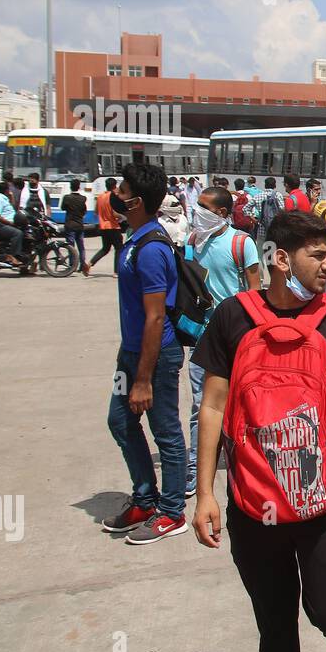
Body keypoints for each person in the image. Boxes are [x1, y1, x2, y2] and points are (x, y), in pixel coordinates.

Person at [190, 209, 326, 652]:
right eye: (316, 255)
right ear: (280, 258)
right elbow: (212, 407)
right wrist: (203, 494)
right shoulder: (233, 316)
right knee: (273, 613)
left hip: (325, 491)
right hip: (252, 495)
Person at [100, 162, 190, 546]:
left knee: (166, 431)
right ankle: (145, 499)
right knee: (120, 422)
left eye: (120, 190)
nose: (114, 195)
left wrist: (142, 379)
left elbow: (156, 318)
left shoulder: (151, 248)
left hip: (155, 356)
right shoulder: (136, 239)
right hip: (131, 353)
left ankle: (172, 512)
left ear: (136, 201)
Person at [185, 186, 262, 496]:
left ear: (220, 213)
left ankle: (242, 466)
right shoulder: (192, 242)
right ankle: (194, 469)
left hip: (236, 340)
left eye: (203, 207)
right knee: (199, 406)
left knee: (241, 406)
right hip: (200, 338)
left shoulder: (242, 243)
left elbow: (255, 293)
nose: (196, 212)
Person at [88, 177, 125, 276]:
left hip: (103, 226)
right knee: (119, 248)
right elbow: (114, 213)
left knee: (105, 249)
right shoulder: (113, 196)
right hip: (113, 226)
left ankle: (90, 263)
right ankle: (116, 271)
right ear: (114, 186)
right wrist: (122, 217)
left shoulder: (100, 197)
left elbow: (96, 212)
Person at [0, 180, 23, 263]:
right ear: (6, 190)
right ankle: (13, 256)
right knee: (17, 233)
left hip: (5, 225)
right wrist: (10, 223)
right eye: (9, 189)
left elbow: (13, 208)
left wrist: (11, 197)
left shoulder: (4, 199)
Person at [61, 179, 90, 276]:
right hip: (79, 225)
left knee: (70, 246)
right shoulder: (83, 198)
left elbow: (63, 207)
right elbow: (84, 211)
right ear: (79, 187)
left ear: (70, 186)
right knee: (81, 246)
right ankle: (82, 265)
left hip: (70, 225)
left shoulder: (67, 198)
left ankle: (72, 265)